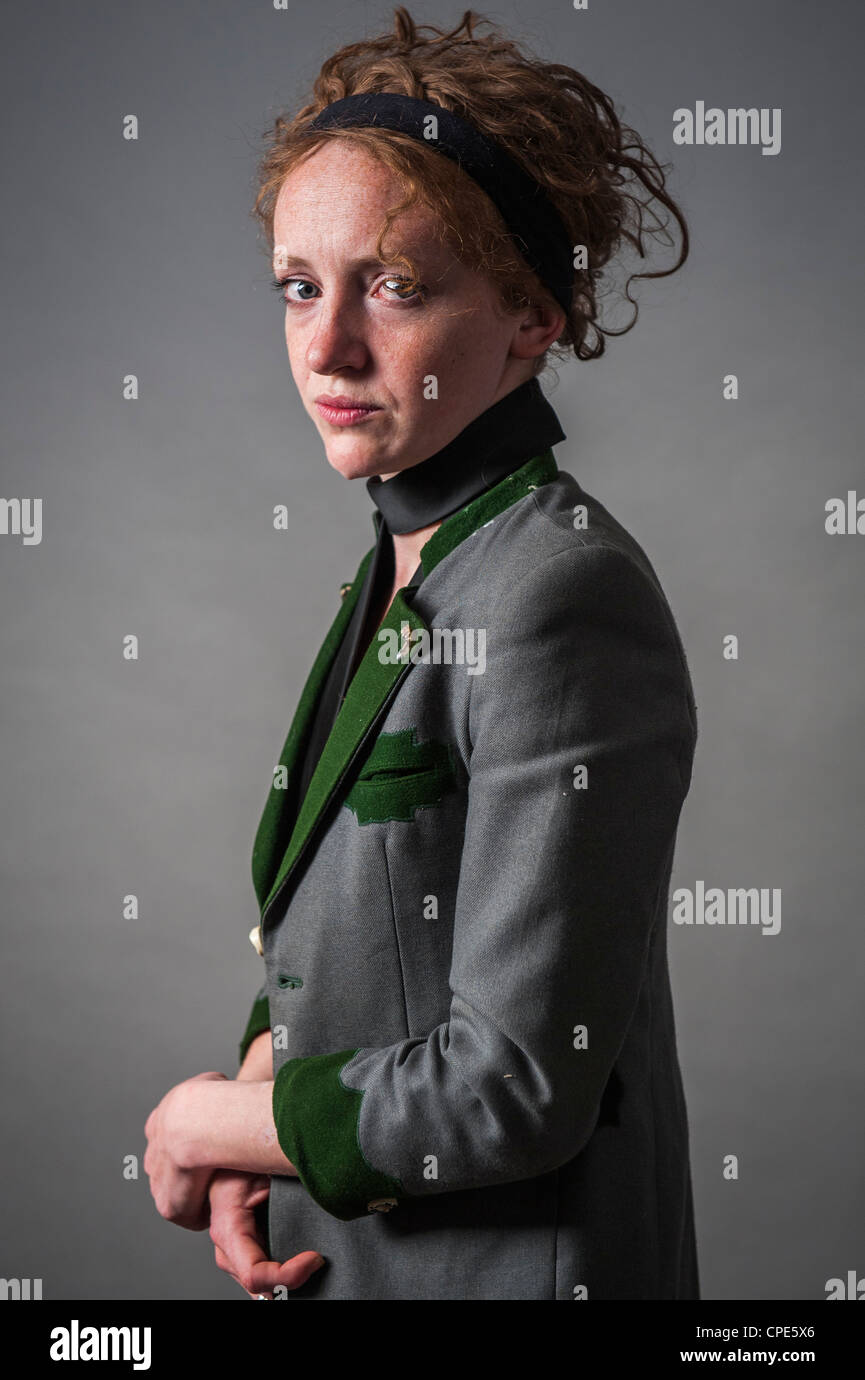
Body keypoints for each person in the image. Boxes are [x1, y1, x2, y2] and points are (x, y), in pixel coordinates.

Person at [144, 6, 700, 1300]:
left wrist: (205, 1123)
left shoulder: (560, 592)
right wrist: (265, 1088)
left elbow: (513, 1084)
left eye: (393, 285)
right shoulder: (415, 552)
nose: (327, 346)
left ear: (530, 313)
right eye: (299, 285)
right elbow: (358, 927)